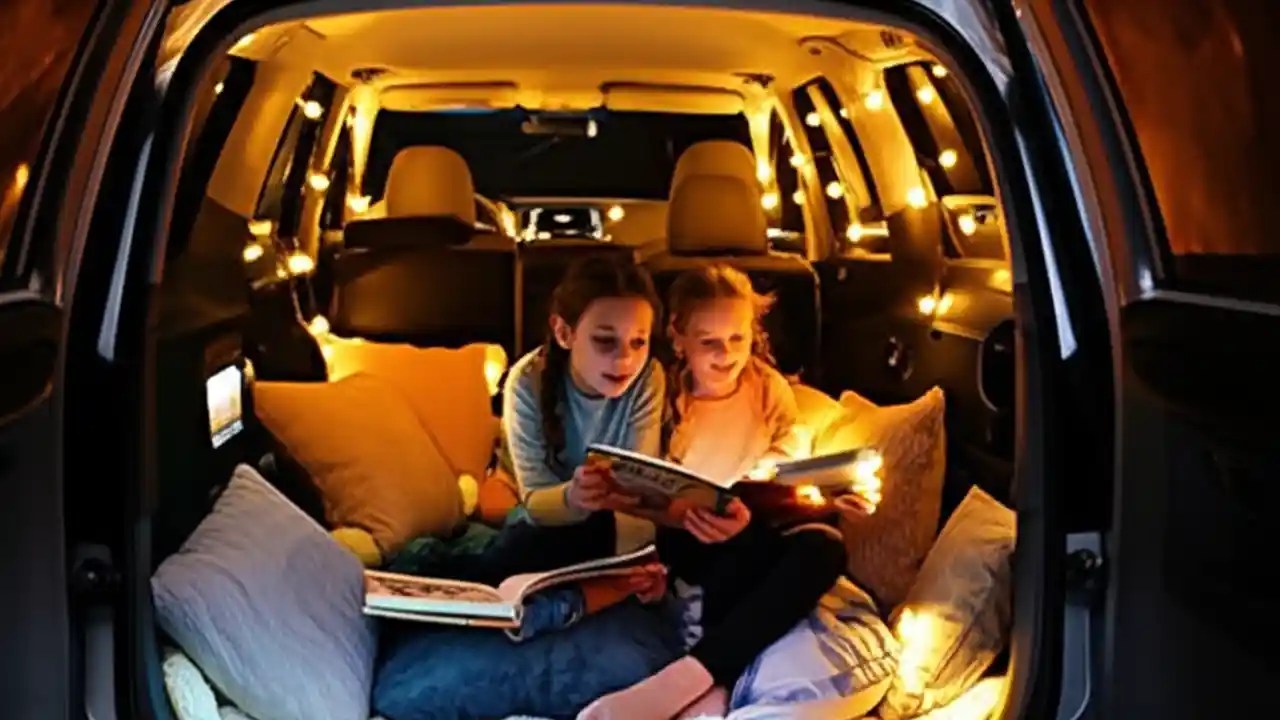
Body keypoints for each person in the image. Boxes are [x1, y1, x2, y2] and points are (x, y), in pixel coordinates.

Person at [579, 265, 871, 720]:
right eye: (709, 342)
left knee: (825, 547)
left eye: (737, 339)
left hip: (755, 526)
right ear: (679, 339)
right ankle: (708, 674)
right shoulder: (669, 396)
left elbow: (790, 448)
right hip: (685, 536)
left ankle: (701, 676)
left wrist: (813, 490)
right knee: (714, 551)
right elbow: (648, 478)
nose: (726, 354)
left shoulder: (767, 387)